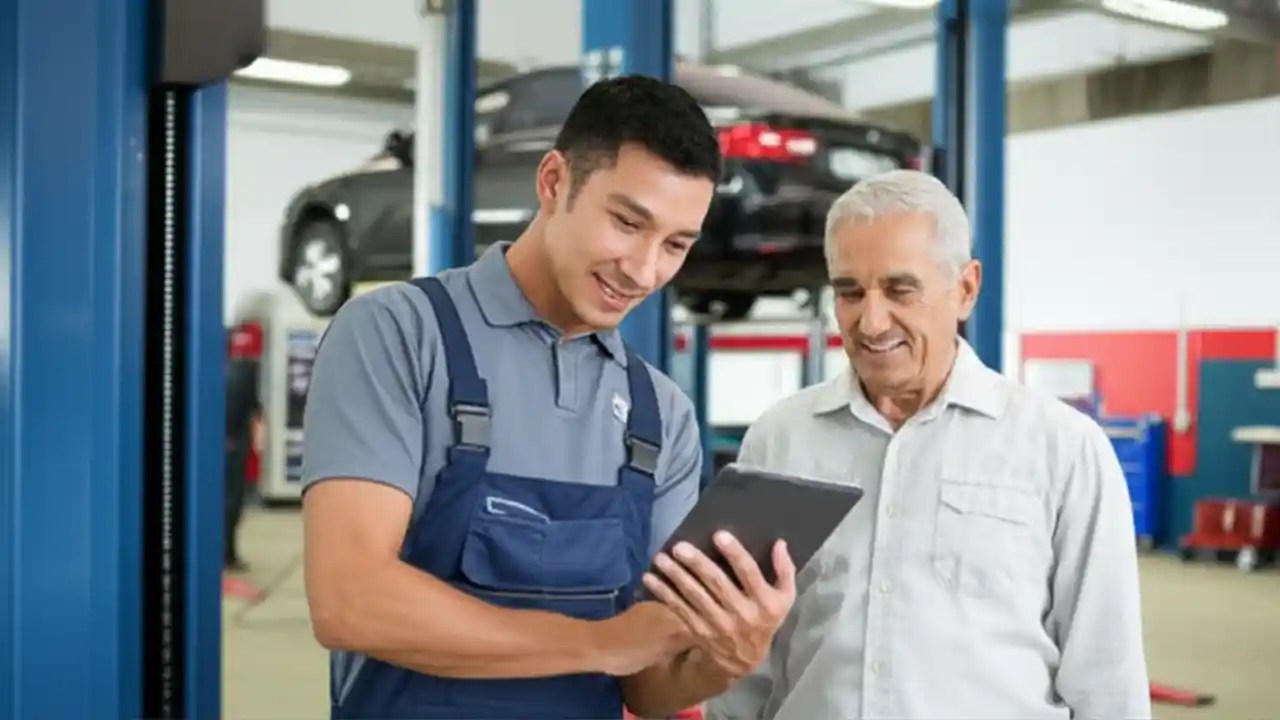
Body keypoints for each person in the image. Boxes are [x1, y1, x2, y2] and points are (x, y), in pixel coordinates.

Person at [299, 74, 796, 720]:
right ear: (554, 181)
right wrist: (596, 642)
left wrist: (724, 655)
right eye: (626, 222)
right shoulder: (399, 336)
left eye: (675, 245)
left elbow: (644, 684)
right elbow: (349, 600)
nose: (644, 270)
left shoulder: (661, 416)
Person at [705, 169, 1152, 720]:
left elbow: (1107, 679)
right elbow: (744, 668)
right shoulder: (780, 438)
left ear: (965, 289)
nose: (870, 321)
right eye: (849, 292)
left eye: (900, 290)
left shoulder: (1061, 449)